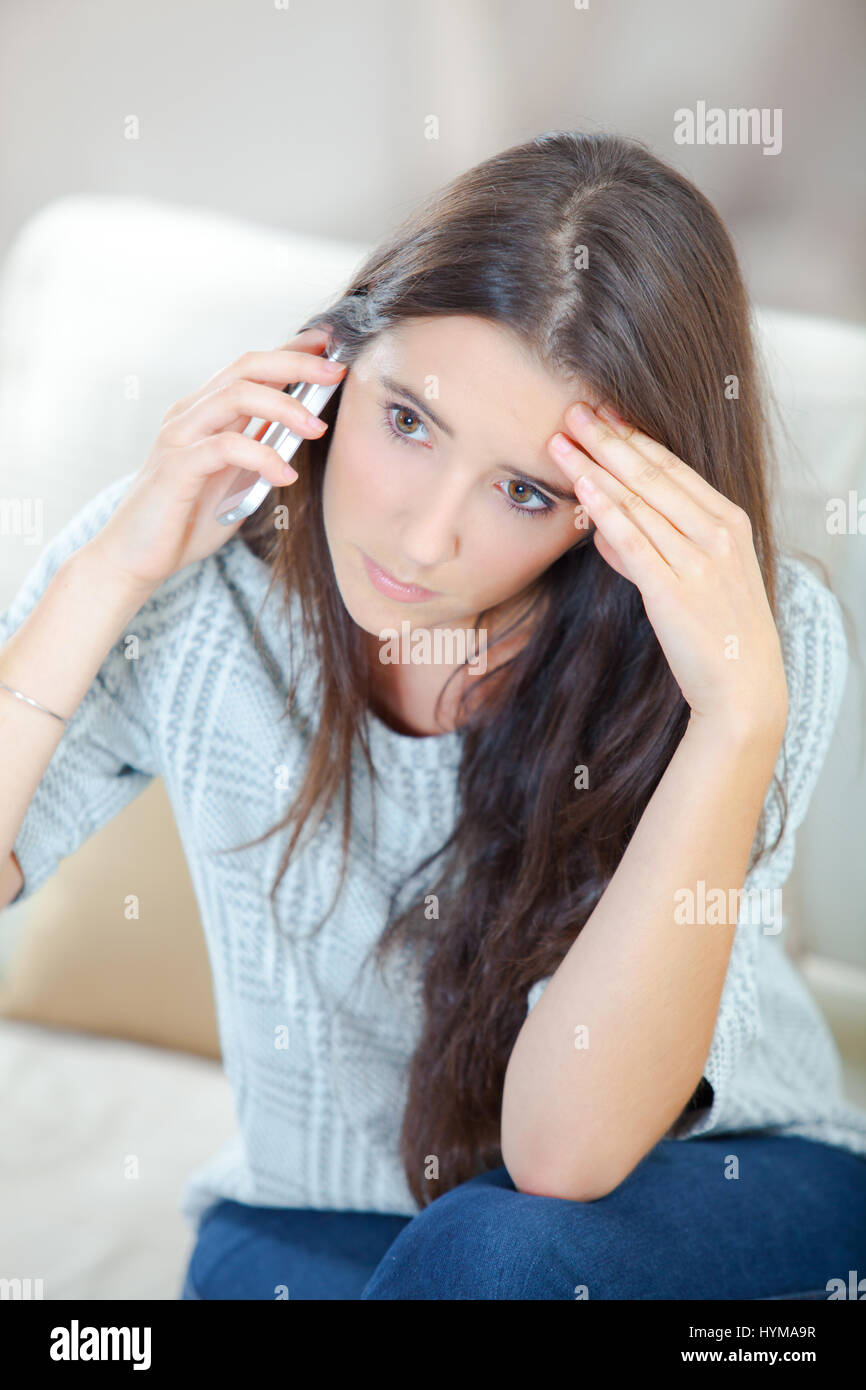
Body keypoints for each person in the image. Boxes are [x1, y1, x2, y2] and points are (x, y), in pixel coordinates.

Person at [1, 129, 865, 1301]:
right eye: (407, 420)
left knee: (493, 1255)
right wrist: (108, 569)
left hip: (699, 1184)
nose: (421, 539)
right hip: (320, 1217)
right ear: (333, 361)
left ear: (604, 516)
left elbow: (562, 1160)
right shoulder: (187, 567)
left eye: (523, 491)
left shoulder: (736, 644)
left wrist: (730, 722)